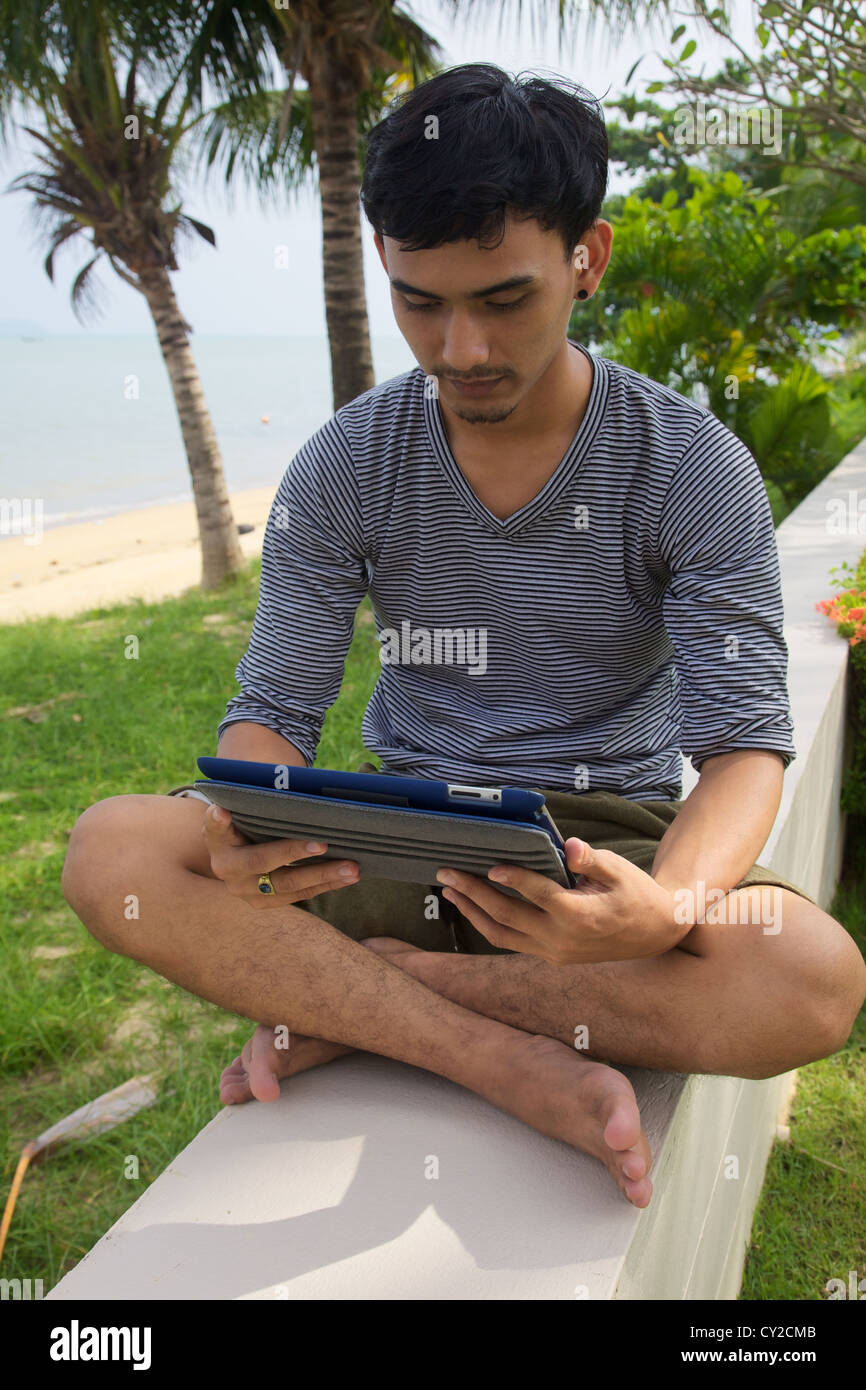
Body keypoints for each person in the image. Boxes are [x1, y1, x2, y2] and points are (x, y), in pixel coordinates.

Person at [61, 63, 866, 1210]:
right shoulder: (346, 463)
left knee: (810, 977)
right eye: (419, 302)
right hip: (393, 837)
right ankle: (498, 1056)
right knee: (114, 853)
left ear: (585, 258)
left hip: (597, 853)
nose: (459, 350)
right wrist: (240, 815)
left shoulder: (687, 466)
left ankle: (365, 1005)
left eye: (501, 299)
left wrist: (670, 901)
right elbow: (273, 713)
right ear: (385, 264)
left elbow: (742, 748)